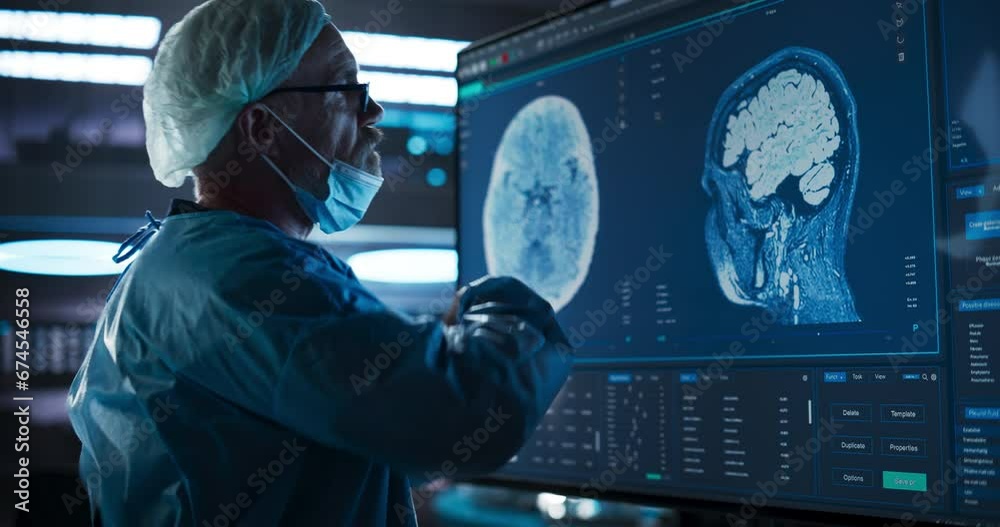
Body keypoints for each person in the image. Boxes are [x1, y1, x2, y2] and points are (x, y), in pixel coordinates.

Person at [66, 0, 573, 525]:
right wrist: (500, 304)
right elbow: (461, 416)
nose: (371, 111)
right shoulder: (243, 277)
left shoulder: (186, 264)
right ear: (261, 127)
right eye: (344, 87)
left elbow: (345, 438)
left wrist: (419, 363)